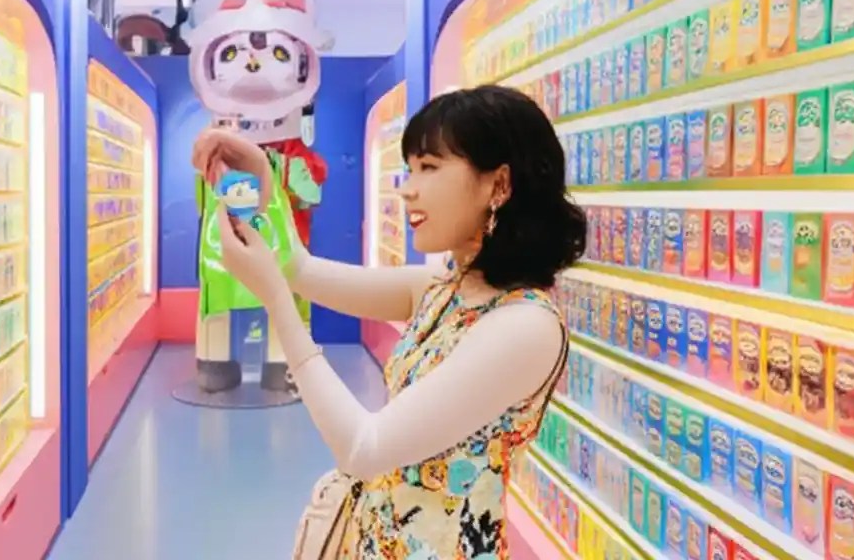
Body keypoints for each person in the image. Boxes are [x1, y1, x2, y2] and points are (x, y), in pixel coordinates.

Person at [192, 84, 587, 559]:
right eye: (409, 167)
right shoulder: (443, 287)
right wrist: (264, 178)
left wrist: (278, 304)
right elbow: (298, 268)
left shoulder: (525, 326)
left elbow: (365, 448)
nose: (407, 187)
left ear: (498, 185)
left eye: (429, 167)